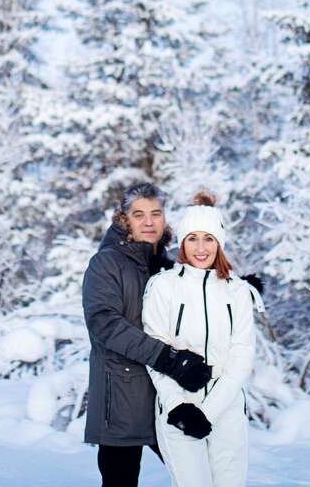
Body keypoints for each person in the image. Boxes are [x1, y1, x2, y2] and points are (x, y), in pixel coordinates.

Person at [83, 182, 214, 487]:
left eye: (156, 213)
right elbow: (105, 324)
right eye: (139, 214)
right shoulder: (106, 263)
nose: (149, 221)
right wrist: (167, 358)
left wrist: (237, 291)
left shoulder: (170, 268)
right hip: (121, 397)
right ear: (124, 219)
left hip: (167, 395)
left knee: (199, 477)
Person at [142, 190, 259, 487]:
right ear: (182, 242)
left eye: (208, 238)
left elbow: (242, 354)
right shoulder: (163, 287)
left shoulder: (238, 291)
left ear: (219, 242)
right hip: (177, 408)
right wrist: (178, 406)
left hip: (227, 407)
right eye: (192, 238)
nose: (201, 248)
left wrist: (209, 411)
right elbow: (154, 350)